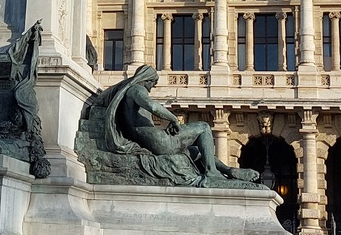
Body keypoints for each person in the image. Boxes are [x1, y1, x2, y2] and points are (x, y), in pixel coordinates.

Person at [102, 66, 245, 181]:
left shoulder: (126, 96)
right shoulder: (137, 89)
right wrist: (173, 118)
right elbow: (152, 106)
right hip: (159, 142)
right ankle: (211, 171)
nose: (152, 88)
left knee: (195, 151)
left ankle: (228, 170)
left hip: (153, 142)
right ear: (147, 80)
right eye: (153, 83)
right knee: (204, 127)